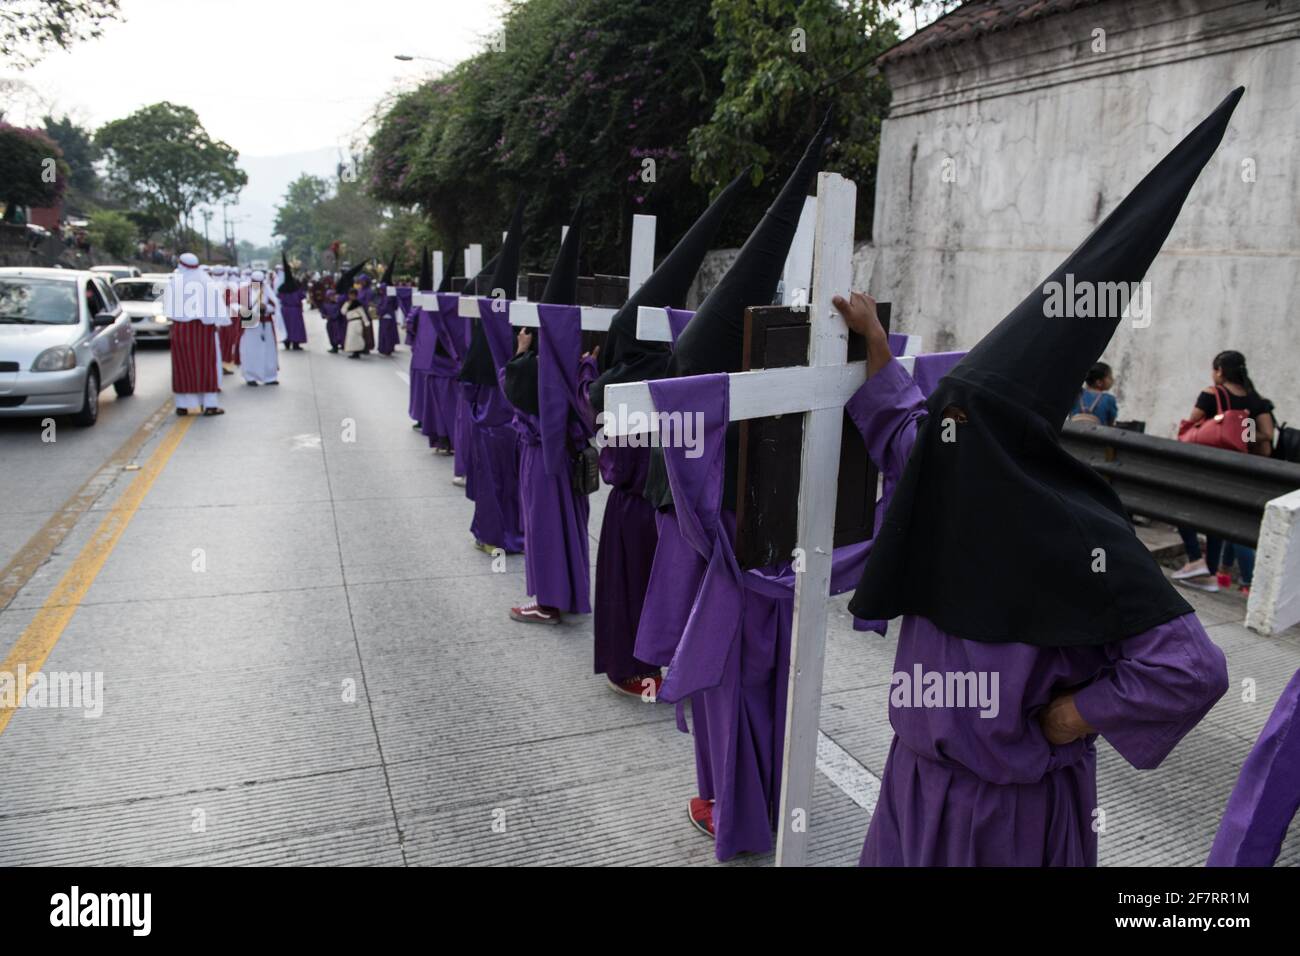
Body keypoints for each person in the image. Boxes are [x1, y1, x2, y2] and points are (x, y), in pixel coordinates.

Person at [844, 88, 1242, 866]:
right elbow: (902, 433)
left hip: (1013, 813)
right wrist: (878, 353)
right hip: (913, 785)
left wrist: (1070, 717)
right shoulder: (950, 476)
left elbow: (1190, 668)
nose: (941, 442)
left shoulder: (1078, 531)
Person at [586, 168, 749, 695]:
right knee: (638, 588)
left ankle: (642, 663)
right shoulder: (660, 378)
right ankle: (635, 667)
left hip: (640, 506)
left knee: (636, 588)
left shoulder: (624, 380)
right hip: (644, 505)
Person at [501, 202, 592, 626]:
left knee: (544, 529)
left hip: (542, 459)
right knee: (568, 526)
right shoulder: (579, 363)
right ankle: (567, 594)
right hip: (571, 455)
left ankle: (548, 603)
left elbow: (509, 389)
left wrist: (520, 352)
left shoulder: (536, 367)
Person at [1172, 349, 1275, 595]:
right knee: (1215, 518)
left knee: (1177, 503)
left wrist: (1221, 426)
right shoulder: (1254, 400)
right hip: (1235, 471)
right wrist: (1239, 433)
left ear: (1219, 371)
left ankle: (1197, 560)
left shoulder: (1212, 394)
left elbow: (1193, 423)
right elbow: (1266, 434)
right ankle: (1209, 572)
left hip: (1205, 466)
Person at [457, 201, 527, 555]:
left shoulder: (518, 331)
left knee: (514, 482)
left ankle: (513, 533)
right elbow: (470, 384)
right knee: (492, 481)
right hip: (491, 420)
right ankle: (488, 534)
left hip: (513, 421)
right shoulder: (489, 335)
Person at [166, 252, 224, 416]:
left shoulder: (175, 282)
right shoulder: (207, 281)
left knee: (183, 366)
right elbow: (216, 307)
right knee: (205, 365)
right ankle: (210, 405)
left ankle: (183, 405)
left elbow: (169, 309)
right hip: (204, 330)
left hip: (182, 330)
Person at [240, 269, 282, 385]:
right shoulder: (244, 291)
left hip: (266, 323)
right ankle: (250, 376)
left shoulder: (267, 291)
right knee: (251, 350)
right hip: (250, 322)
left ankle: (270, 376)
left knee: (269, 350)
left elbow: (275, 306)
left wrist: (265, 308)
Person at [1069, 361, 1118, 425]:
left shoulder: (1076, 393)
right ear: (1099, 382)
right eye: (1110, 377)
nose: (1112, 380)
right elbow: (1111, 422)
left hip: (1071, 432)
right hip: (1096, 434)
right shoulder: (1109, 399)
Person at [341, 286, 370, 359]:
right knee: (351, 338)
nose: (351, 296)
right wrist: (348, 304)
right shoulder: (347, 303)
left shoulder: (358, 304)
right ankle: (354, 352)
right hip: (350, 322)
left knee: (357, 337)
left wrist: (366, 322)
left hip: (357, 322)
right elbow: (343, 312)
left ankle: (357, 352)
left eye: (353, 295)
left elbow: (363, 314)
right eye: (350, 295)